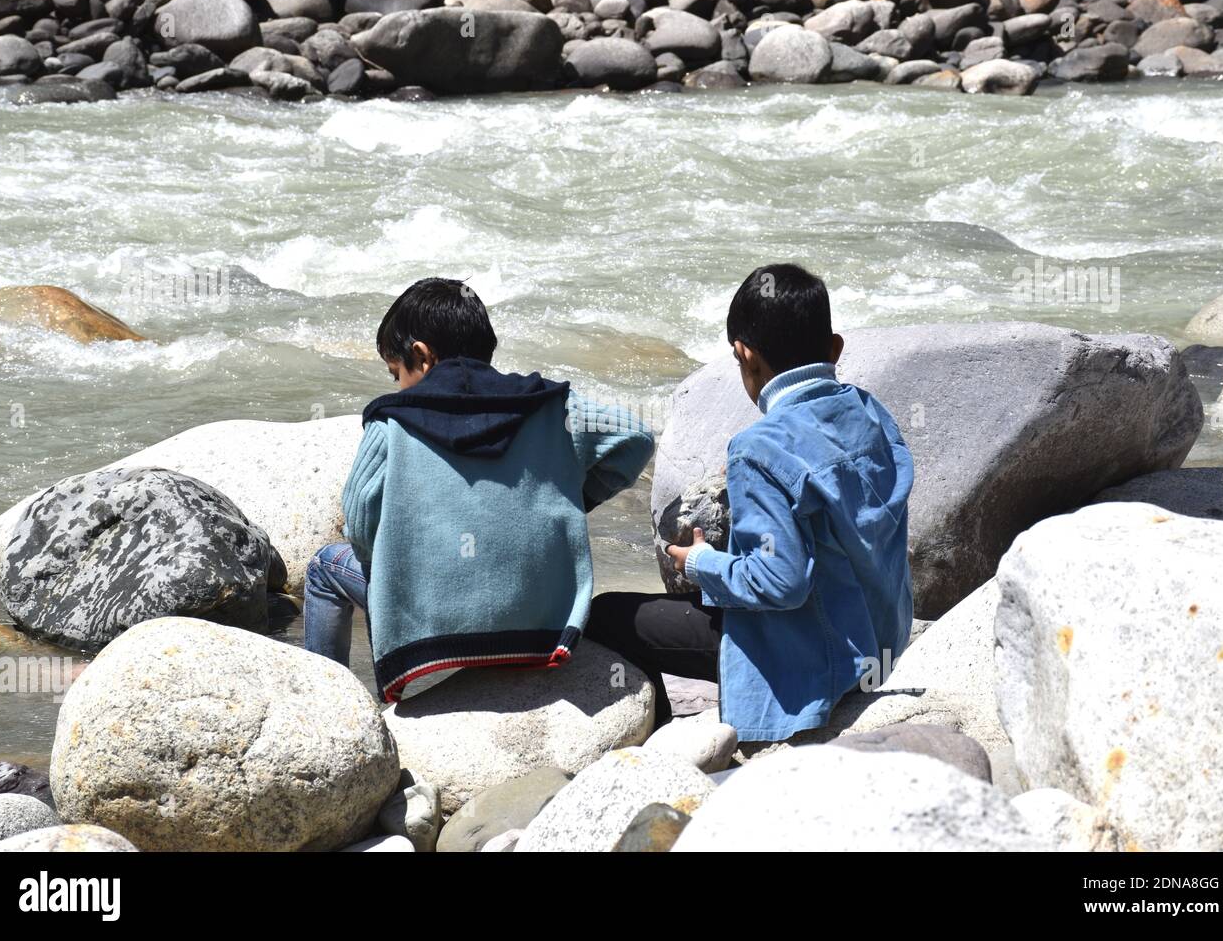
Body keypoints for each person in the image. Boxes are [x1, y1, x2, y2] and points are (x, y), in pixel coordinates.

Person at [586, 263, 915, 742]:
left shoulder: (759, 446)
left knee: (608, 614)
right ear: (835, 348)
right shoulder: (870, 410)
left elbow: (780, 583)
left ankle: (652, 742)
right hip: (878, 643)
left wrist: (700, 563)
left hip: (817, 661)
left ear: (745, 355)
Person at [304, 277, 654, 702]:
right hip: (542, 626)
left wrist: (403, 555)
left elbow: (361, 524)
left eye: (397, 373)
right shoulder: (555, 406)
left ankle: (328, 706)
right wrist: (570, 498)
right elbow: (635, 438)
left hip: (429, 629)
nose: (397, 386)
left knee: (325, 566)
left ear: (421, 355)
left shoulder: (391, 423)